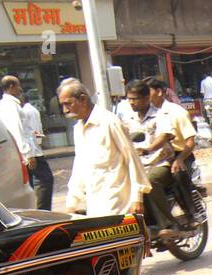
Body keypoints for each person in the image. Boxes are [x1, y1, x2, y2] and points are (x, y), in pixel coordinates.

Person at [57, 80, 150, 219]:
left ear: (82, 99)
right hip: (95, 201)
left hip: (117, 202)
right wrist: (72, 202)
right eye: (62, 105)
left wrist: (137, 197)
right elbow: (80, 166)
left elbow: (132, 159)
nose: (65, 110)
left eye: (68, 104)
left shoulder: (108, 122)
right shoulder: (78, 128)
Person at [115, 80, 178, 238]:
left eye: (134, 98)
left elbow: (164, 135)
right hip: (138, 166)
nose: (131, 102)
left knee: (149, 182)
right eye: (129, 98)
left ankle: (167, 224)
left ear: (146, 98)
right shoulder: (127, 119)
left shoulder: (160, 114)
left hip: (160, 163)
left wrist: (149, 148)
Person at [0, 75, 53, 210]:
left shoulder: (6, 105)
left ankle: (36, 212)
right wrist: (28, 153)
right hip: (27, 151)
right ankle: (42, 212)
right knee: (45, 180)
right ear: (11, 87)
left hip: (22, 150)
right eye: (18, 86)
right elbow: (17, 130)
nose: (20, 89)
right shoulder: (9, 105)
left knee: (30, 184)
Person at [147, 77, 198, 217]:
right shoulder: (150, 114)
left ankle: (190, 213)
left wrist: (180, 159)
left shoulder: (176, 112)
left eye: (147, 92)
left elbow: (190, 142)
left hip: (180, 154)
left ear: (158, 92)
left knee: (176, 174)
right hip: (161, 155)